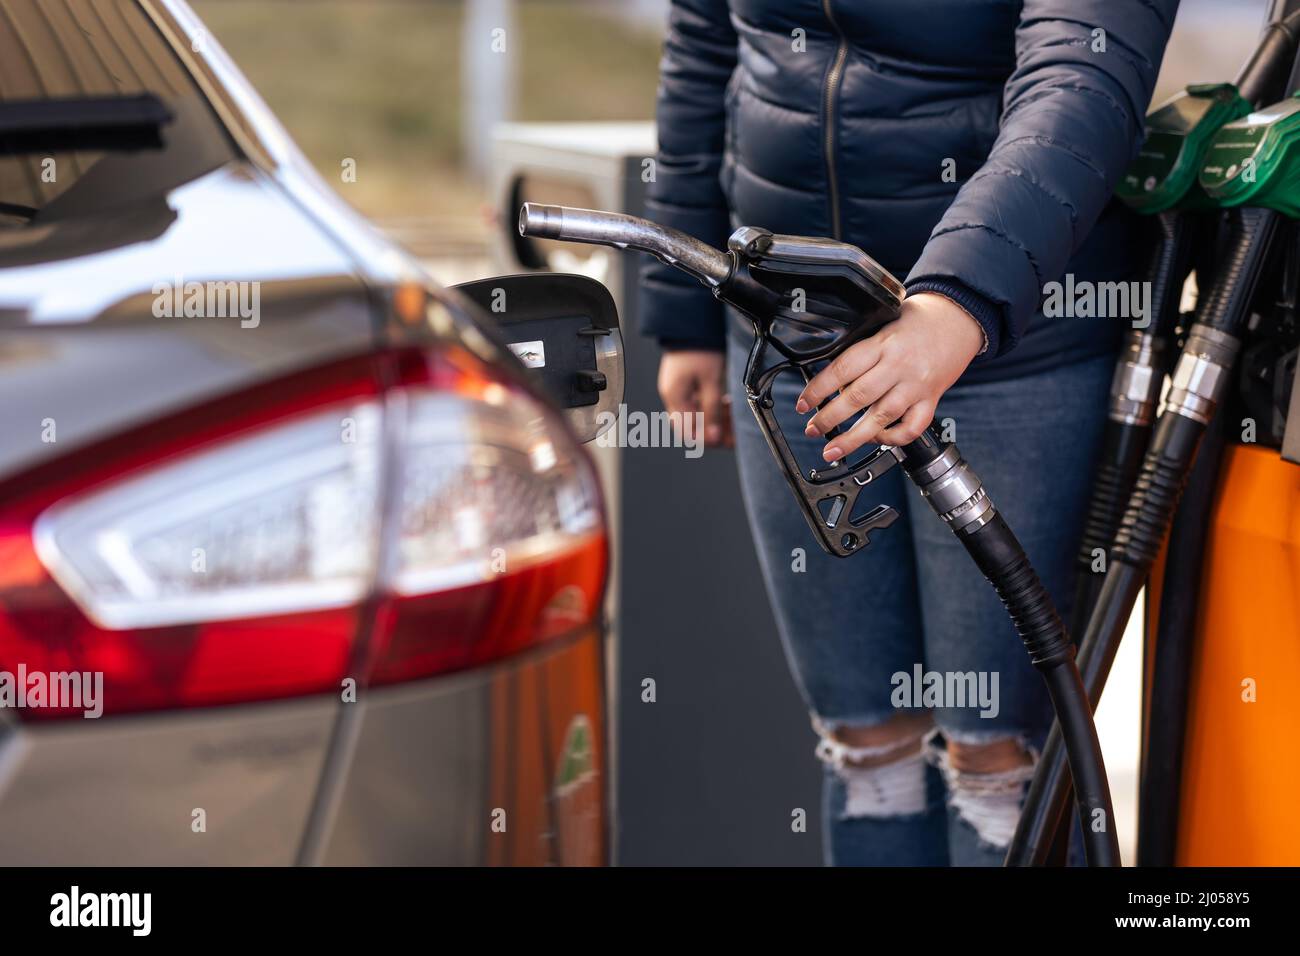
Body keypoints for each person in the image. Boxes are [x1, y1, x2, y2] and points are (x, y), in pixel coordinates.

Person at [638, 0, 1179, 865]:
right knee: (865, 742)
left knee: (998, 758)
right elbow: (706, 40)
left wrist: (958, 299)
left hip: (1013, 345)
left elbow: (1081, 76)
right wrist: (683, 316)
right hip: (792, 331)